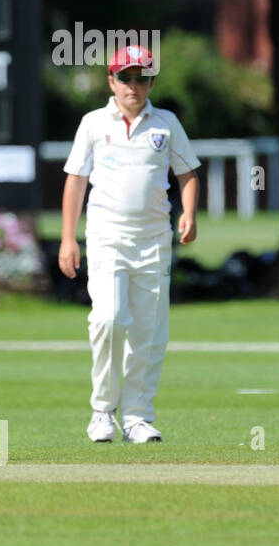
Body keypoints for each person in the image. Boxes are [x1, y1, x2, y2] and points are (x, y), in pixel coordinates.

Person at [59, 45, 200, 443]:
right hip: (107, 236)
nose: (133, 86)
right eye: (125, 78)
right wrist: (68, 238)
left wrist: (189, 213)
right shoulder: (92, 123)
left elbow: (187, 173)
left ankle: (137, 417)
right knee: (107, 318)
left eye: (142, 78)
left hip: (154, 239)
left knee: (148, 331)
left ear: (151, 82)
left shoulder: (166, 123)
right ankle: (103, 411)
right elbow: (76, 180)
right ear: (111, 81)